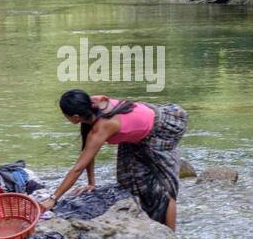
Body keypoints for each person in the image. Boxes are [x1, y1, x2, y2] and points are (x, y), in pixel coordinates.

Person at [39, 90, 188, 229]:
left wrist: (53, 199)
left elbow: (78, 167)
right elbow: (88, 151)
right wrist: (91, 183)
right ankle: (148, 222)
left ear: (76, 117)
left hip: (163, 128)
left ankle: (170, 238)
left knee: (165, 187)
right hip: (138, 133)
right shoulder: (93, 103)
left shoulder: (103, 126)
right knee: (130, 179)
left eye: (65, 115)